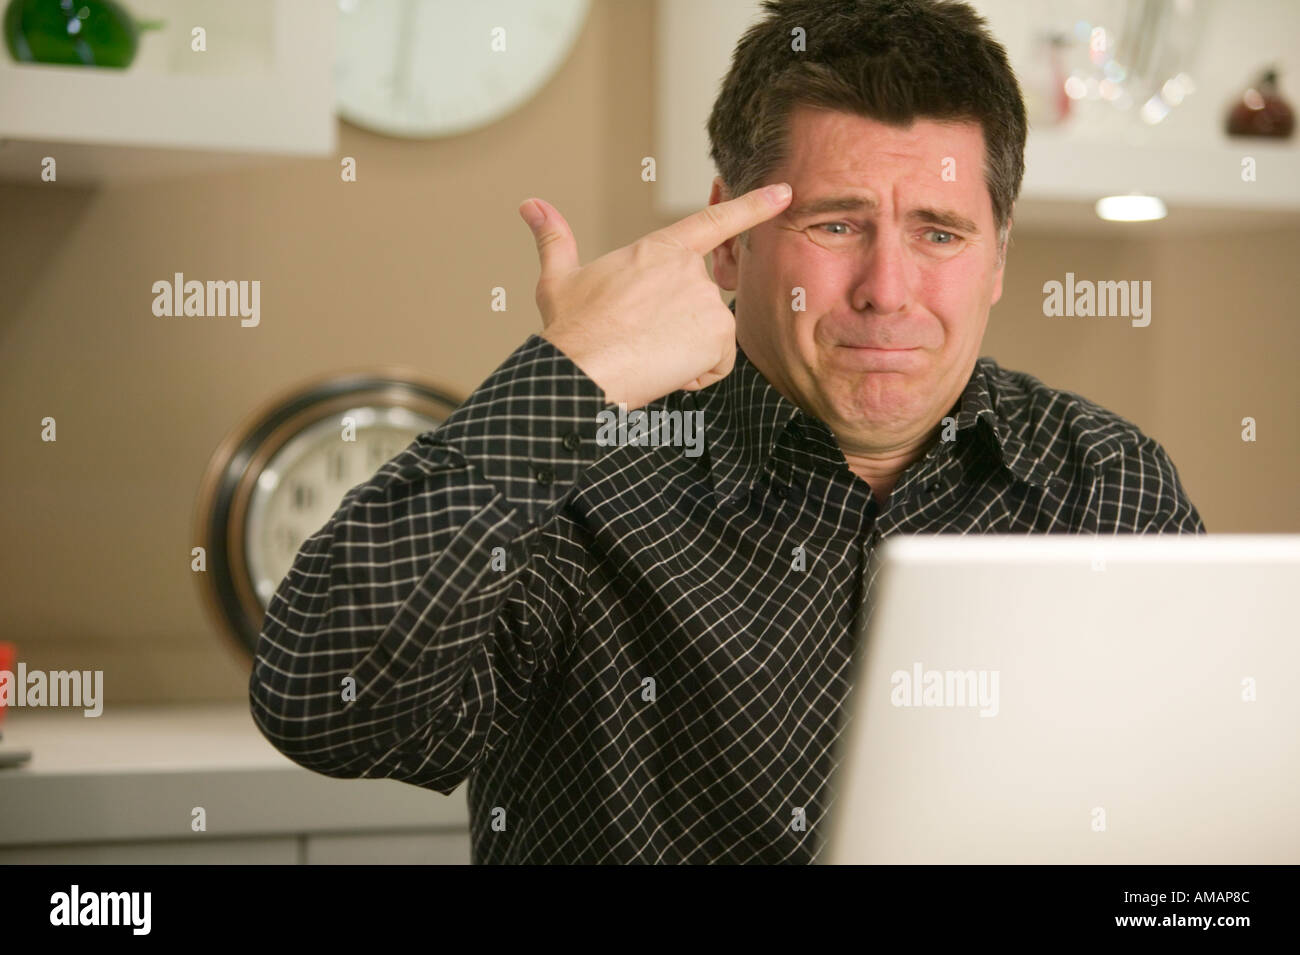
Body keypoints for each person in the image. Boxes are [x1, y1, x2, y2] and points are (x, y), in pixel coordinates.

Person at [250, 0, 1204, 864]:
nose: (887, 289)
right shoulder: (579, 476)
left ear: (999, 256)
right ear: (728, 237)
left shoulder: (1107, 484)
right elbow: (330, 708)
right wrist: (570, 373)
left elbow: (1201, 837)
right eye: (836, 225)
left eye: (940, 234)